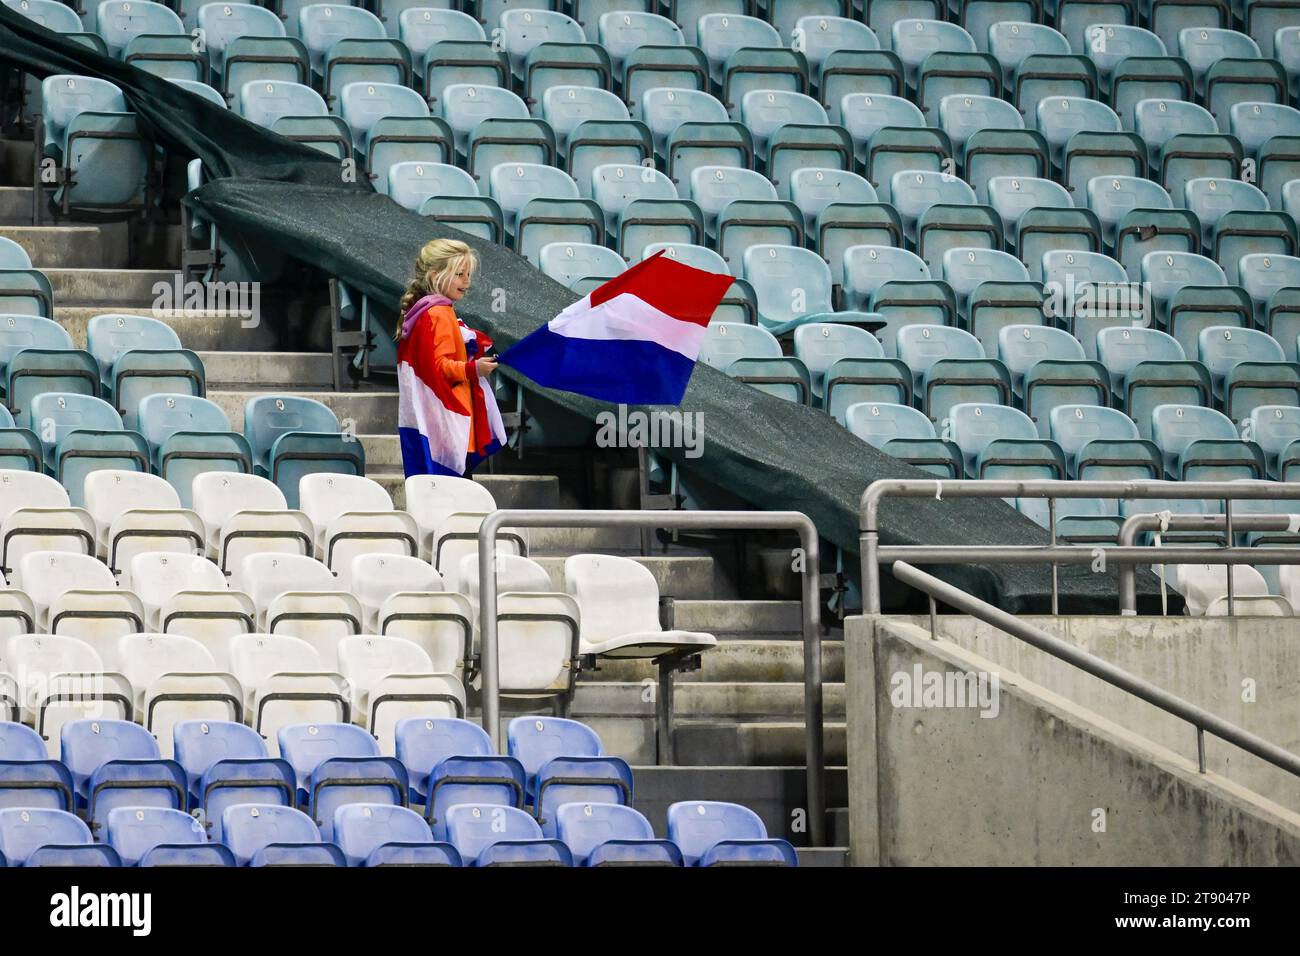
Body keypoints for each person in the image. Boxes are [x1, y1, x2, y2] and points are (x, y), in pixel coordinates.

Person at [395, 238, 506, 478]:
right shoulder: (439, 313)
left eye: (468, 274)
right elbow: (440, 366)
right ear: (436, 276)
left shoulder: (426, 310)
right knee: (456, 492)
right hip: (450, 418)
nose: (467, 282)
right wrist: (473, 369)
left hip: (436, 418)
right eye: (459, 274)